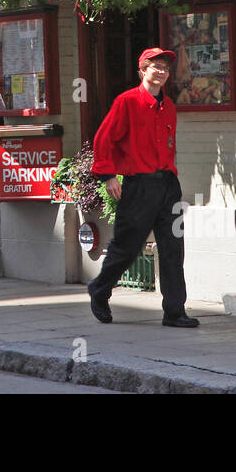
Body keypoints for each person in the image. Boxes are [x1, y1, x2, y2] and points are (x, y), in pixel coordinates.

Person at [86, 47, 198, 328]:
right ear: (142, 71)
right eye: (155, 66)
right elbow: (103, 139)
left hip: (168, 186)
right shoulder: (126, 102)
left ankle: (174, 311)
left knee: (173, 247)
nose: (161, 71)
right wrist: (108, 175)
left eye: (165, 68)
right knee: (128, 247)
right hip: (139, 186)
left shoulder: (168, 105)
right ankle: (100, 289)